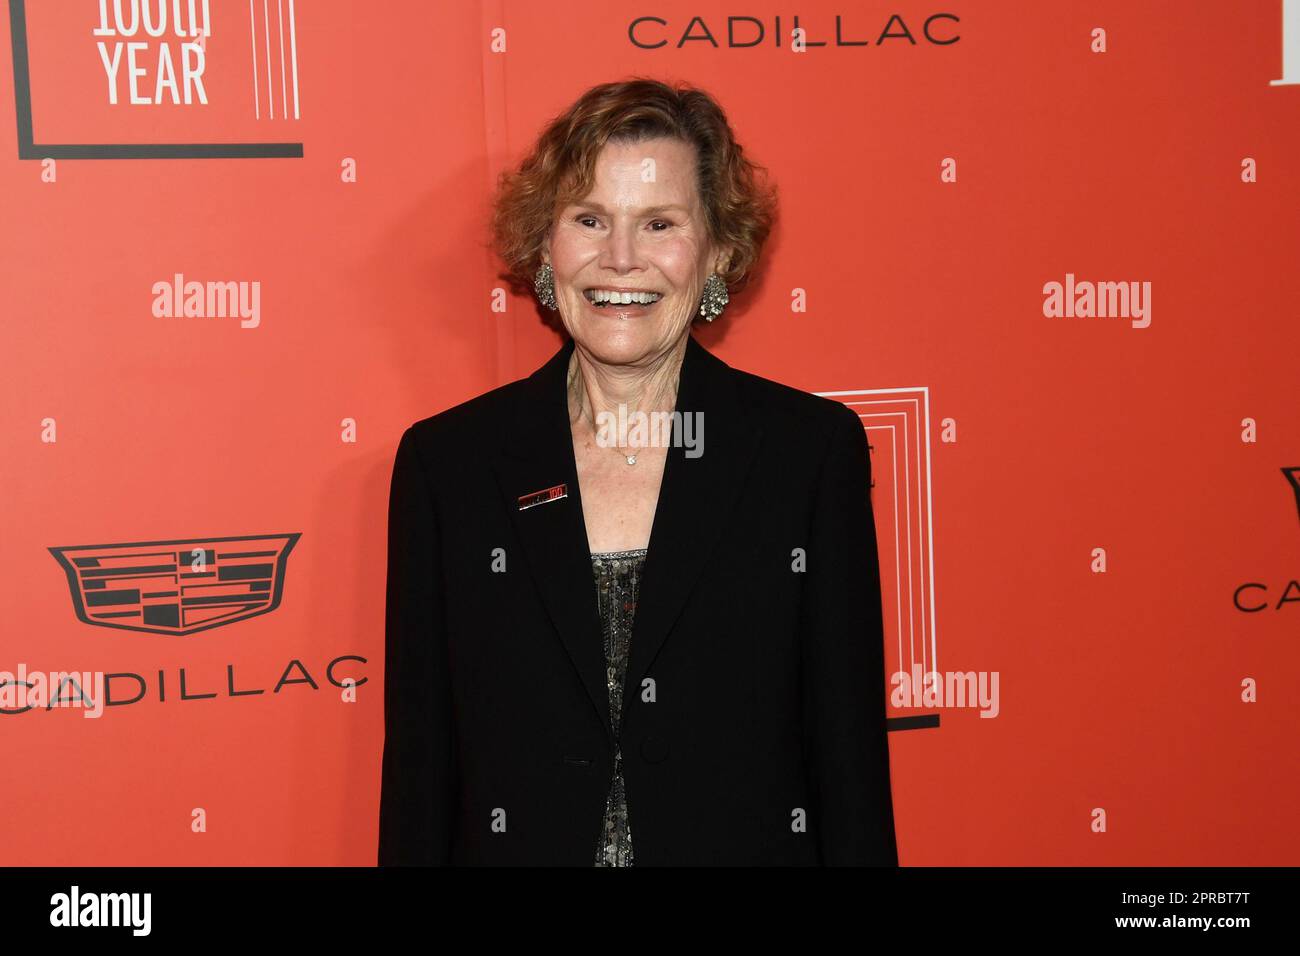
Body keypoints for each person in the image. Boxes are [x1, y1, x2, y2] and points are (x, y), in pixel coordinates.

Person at [378, 77, 897, 866]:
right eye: (589, 220)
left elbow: (849, 765)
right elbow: (421, 772)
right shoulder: (448, 467)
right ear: (545, 248)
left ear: (719, 249)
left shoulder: (807, 455)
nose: (620, 259)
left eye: (659, 223)